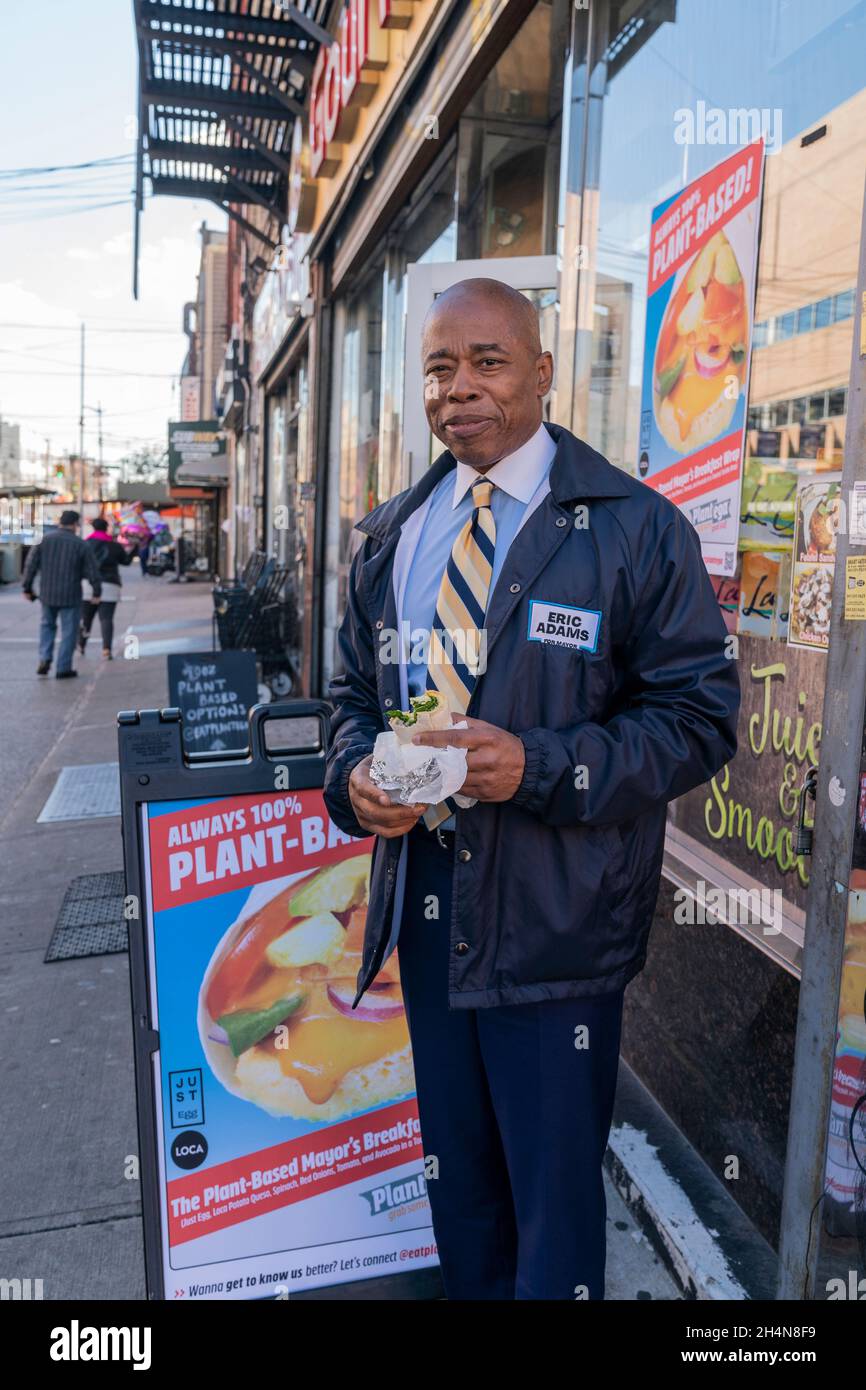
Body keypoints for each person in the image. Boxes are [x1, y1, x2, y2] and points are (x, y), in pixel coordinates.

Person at [323, 277, 740, 1301]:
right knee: (460, 1193)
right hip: (425, 917)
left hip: (556, 935)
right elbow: (341, 696)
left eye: (486, 361)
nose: (457, 388)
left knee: (552, 1214)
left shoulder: (635, 530)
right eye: (437, 367)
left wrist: (541, 766)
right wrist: (352, 781)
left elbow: (698, 717)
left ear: (542, 374)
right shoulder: (389, 537)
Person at [22, 509, 102, 679]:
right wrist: (97, 591)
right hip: (71, 595)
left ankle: (45, 658)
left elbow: (30, 565)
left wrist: (27, 588)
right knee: (69, 631)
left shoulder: (44, 540)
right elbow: (92, 571)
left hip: (47, 593)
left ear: (60, 522)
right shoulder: (81, 544)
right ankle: (63, 668)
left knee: (47, 626)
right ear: (75, 525)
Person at [79, 515, 136, 660]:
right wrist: (135, 548)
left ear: (93, 528)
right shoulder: (115, 545)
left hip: (88, 585)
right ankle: (106, 650)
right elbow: (126, 561)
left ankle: (81, 645)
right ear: (106, 528)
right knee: (106, 619)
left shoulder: (86, 544)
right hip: (110, 585)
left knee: (86, 619)